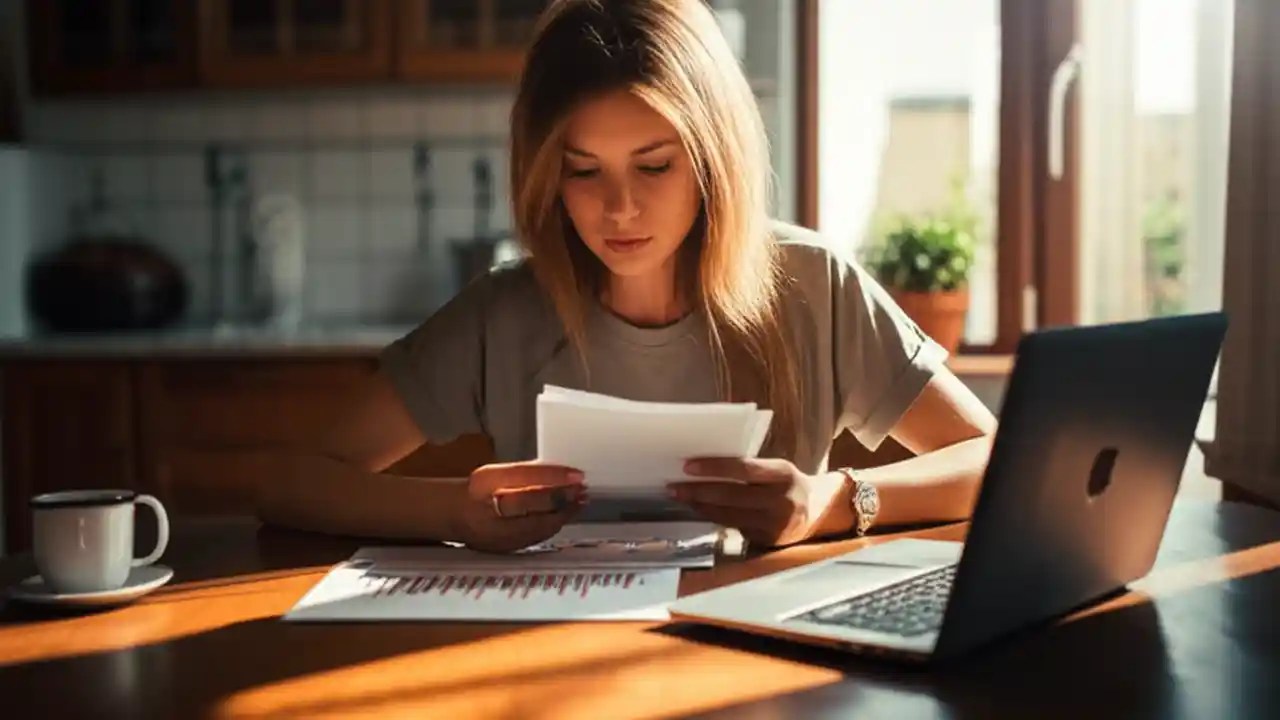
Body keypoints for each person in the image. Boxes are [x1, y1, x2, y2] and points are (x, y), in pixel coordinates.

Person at [257, 0, 997, 552]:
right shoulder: (504, 314)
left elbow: (989, 457)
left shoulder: (811, 285)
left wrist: (831, 501)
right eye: (584, 171)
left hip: (766, 672)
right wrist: (453, 511)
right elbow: (291, 482)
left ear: (713, 162)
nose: (620, 208)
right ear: (547, 175)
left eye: (654, 165)